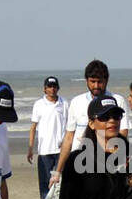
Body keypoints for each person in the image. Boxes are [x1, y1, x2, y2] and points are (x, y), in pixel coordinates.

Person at [51, 59, 128, 187]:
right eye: (93, 81)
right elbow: (69, 138)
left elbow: (122, 133)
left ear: (106, 80)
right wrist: (58, 171)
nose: (96, 86)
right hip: (79, 164)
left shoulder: (117, 101)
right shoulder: (76, 102)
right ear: (86, 80)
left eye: (100, 82)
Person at [27, 76, 67, 199]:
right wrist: (30, 148)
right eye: (49, 86)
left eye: (54, 86)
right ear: (45, 89)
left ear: (58, 88)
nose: (52, 89)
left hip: (60, 151)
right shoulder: (39, 104)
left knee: (60, 184)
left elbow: (69, 126)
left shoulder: (64, 103)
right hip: (44, 151)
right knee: (45, 186)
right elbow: (33, 127)